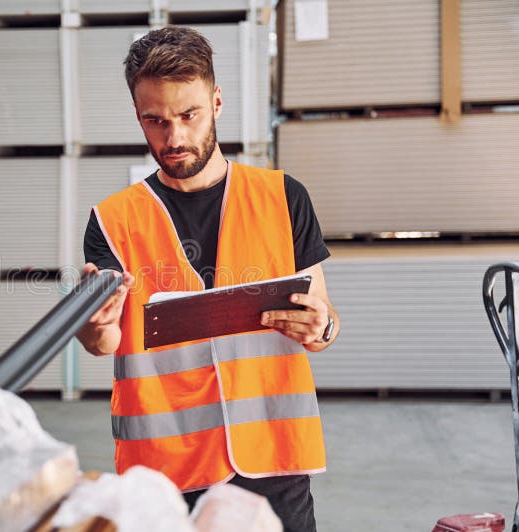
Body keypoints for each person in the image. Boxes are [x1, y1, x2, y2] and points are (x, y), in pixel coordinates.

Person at [76, 26, 340, 532]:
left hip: (273, 461)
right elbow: (104, 339)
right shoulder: (113, 220)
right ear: (138, 116)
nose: (173, 137)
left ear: (217, 102)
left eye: (188, 116)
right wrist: (92, 325)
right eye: (155, 121)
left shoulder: (283, 198)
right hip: (165, 470)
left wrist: (321, 328)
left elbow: (323, 323)